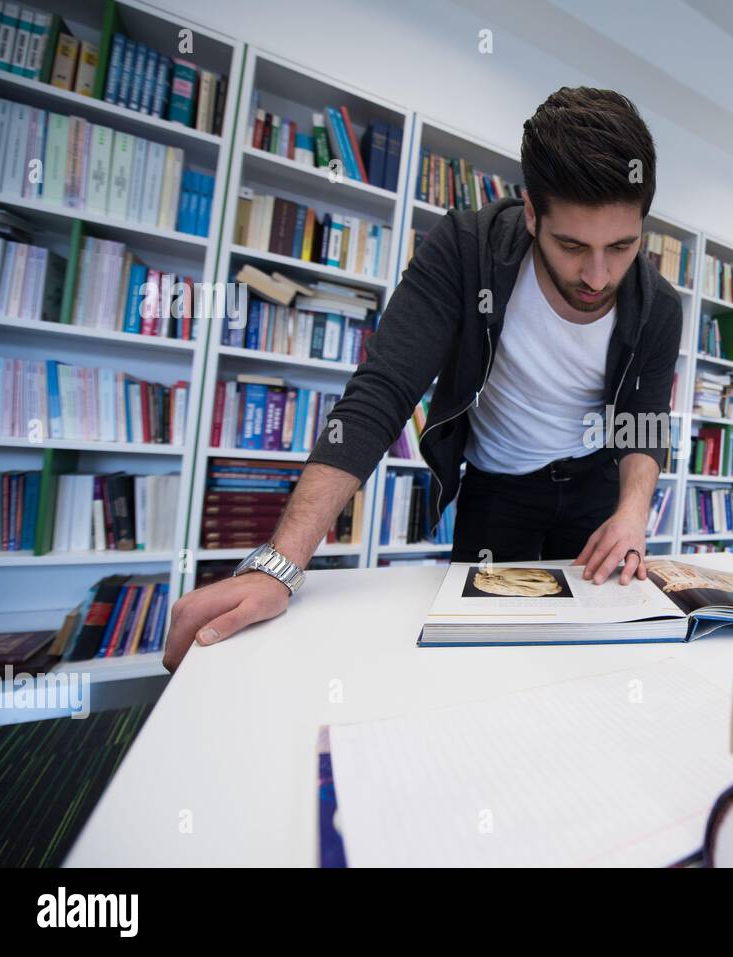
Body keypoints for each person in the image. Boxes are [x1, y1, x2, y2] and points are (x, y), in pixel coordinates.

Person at [163, 86, 682, 672]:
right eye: (571, 245)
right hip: (498, 487)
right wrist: (278, 566)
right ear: (532, 213)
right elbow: (383, 391)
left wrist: (632, 512)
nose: (597, 276)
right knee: (483, 659)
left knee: (592, 658)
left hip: (595, 489)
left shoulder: (658, 306)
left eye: (622, 246)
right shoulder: (465, 249)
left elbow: (644, 419)